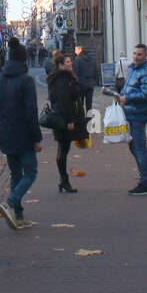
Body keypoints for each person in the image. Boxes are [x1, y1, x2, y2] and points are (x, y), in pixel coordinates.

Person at [0, 39, 42, 230]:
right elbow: (31, 112)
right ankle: (11, 202)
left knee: (16, 173)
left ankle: (18, 216)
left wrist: (4, 115)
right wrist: (37, 138)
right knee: (31, 172)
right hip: (24, 135)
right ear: (25, 59)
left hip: (5, 133)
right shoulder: (26, 81)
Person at [114, 43, 147, 196]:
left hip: (139, 114)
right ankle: (143, 178)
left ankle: (146, 183)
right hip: (130, 112)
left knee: (139, 147)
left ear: (145, 56)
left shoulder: (146, 73)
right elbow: (128, 87)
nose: (136, 57)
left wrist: (127, 98)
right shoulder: (132, 69)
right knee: (134, 146)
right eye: (134, 53)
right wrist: (120, 95)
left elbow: (146, 95)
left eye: (139, 54)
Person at [47, 51, 87, 193]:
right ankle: (64, 180)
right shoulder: (62, 80)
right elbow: (64, 101)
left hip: (63, 117)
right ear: (60, 65)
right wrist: (69, 120)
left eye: (71, 61)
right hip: (63, 119)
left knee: (63, 148)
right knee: (63, 149)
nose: (71, 64)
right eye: (68, 62)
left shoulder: (64, 77)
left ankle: (63, 180)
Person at [74, 43, 98, 117]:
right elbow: (95, 71)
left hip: (81, 84)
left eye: (76, 49)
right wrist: (94, 81)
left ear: (80, 50)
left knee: (80, 103)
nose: (75, 51)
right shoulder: (92, 59)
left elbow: (76, 72)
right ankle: (89, 119)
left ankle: (80, 119)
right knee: (89, 104)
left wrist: (75, 83)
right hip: (90, 84)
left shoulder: (77, 59)